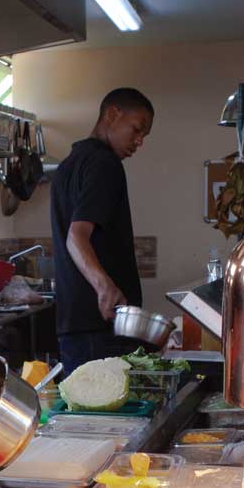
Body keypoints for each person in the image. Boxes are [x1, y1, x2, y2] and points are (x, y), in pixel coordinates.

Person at [49, 87, 154, 374]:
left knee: (84, 417)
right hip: (101, 328)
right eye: (137, 129)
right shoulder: (105, 164)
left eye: (144, 135)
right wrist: (104, 287)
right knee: (108, 418)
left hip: (75, 329)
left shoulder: (68, 165)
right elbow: (76, 236)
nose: (139, 141)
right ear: (112, 114)